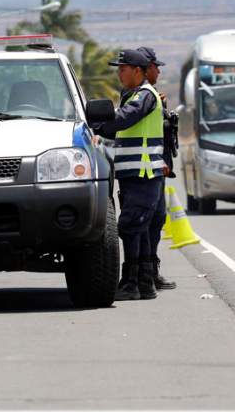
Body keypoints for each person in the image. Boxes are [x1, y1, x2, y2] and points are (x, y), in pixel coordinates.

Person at [95, 49, 164, 301]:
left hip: (143, 173)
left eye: (123, 69)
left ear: (137, 71)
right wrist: (101, 131)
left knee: (130, 227)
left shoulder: (144, 95)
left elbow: (125, 119)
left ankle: (131, 283)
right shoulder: (132, 95)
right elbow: (119, 130)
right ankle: (144, 284)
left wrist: (98, 123)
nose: (119, 73)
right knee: (140, 228)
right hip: (134, 174)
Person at [137, 46, 177, 291]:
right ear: (144, 69)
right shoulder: (139, 95)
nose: (158, 72)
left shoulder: (152, 95)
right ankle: (143, 274)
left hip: (157, 167)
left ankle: (151, 271)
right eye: (155, 67)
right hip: (145, 170)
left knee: (157, 219)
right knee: (146, 220)